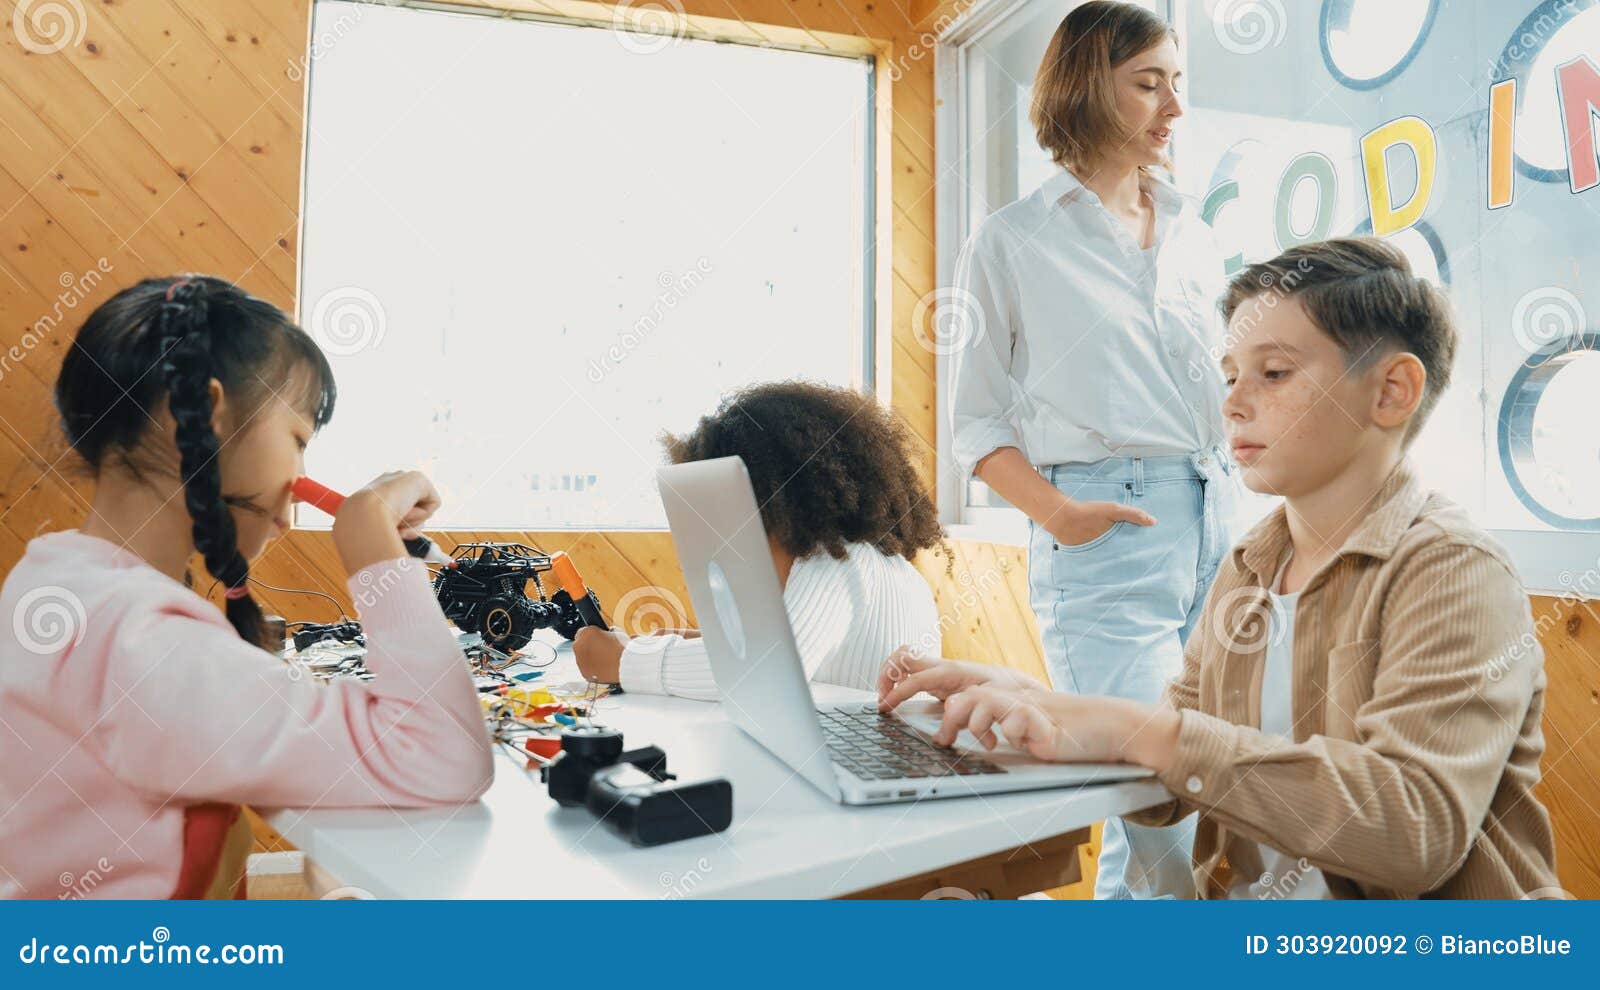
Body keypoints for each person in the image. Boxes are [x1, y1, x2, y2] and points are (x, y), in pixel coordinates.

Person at [883, 238, 1560, 898]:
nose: (1231, 403)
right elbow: (1175, 778)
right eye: (1229, 374)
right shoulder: (1251, 565)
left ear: (1391, 391)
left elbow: (1413, 834)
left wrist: (1138, 732)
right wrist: (1036, 707)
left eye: (1273, 373)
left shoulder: (1453, 572)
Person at [0, 276, 492, 899]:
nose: (301, 479)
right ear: (206, 414)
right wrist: (371, 542)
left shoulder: (54, 581)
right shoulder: (138, 642)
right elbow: (445, 755)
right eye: (297, 441)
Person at [948, 0, 1234, 897]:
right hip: (1105, 529)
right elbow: (977, 423)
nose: (1173, 108)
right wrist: (1063, 515)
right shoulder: (1012, 241)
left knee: (1177, 798)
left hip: (1220, 521)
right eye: (1149, 85)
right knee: (1160, 799)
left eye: (1177, 85)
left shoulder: (1197, 236)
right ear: (1084, 88)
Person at [574, 381, 941, 701]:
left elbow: (768, 673)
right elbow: (797, 651)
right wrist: (693, 642)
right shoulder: (888, 568)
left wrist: (623, 662)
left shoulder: (837, 563)